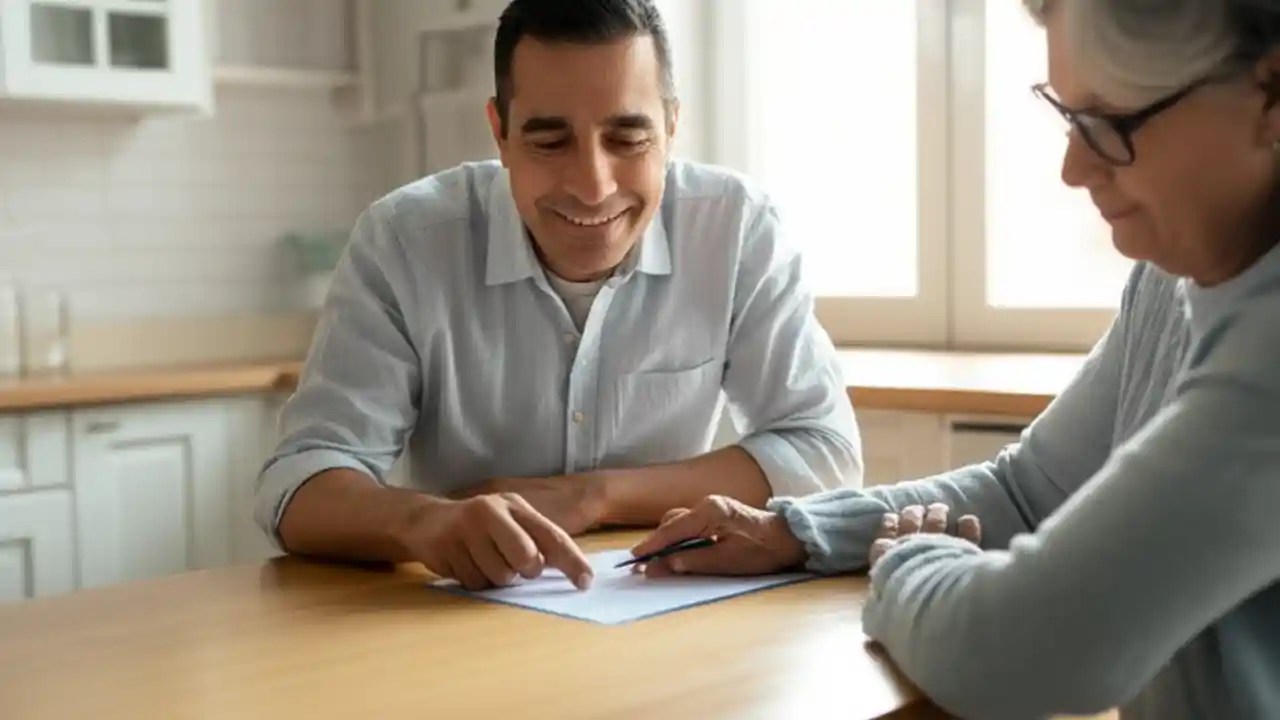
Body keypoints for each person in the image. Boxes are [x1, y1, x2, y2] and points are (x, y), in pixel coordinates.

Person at [629, 0, 1280, 718]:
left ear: (1270, 94)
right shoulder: (1176, 275)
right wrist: (797, 530)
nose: (1071, 167)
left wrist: (908, 560)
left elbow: (1021, 651)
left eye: (1112, 123)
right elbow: (1030, 491)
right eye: (1068, 117)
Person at [254, 0, 861, 594]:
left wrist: (594, 496)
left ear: (672, 127)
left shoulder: (737, 229)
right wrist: (423, 522)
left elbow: (824, 451)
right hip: (460, 623)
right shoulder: (404, 243)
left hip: (663, 606)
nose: (593, 186)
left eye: (628, 138)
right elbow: (299, 481)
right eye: (550, 141)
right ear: (500, 133)